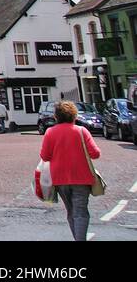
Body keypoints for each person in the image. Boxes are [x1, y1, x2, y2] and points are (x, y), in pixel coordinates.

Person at [40, 100, 102, 242]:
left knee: (71, 211)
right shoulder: (81, 131)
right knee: (80, 212)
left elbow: (45, 156)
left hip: (60, 179)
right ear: (74, 115)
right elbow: (95, 154)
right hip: (81, 177)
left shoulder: (50, 132)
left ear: (56, 117)